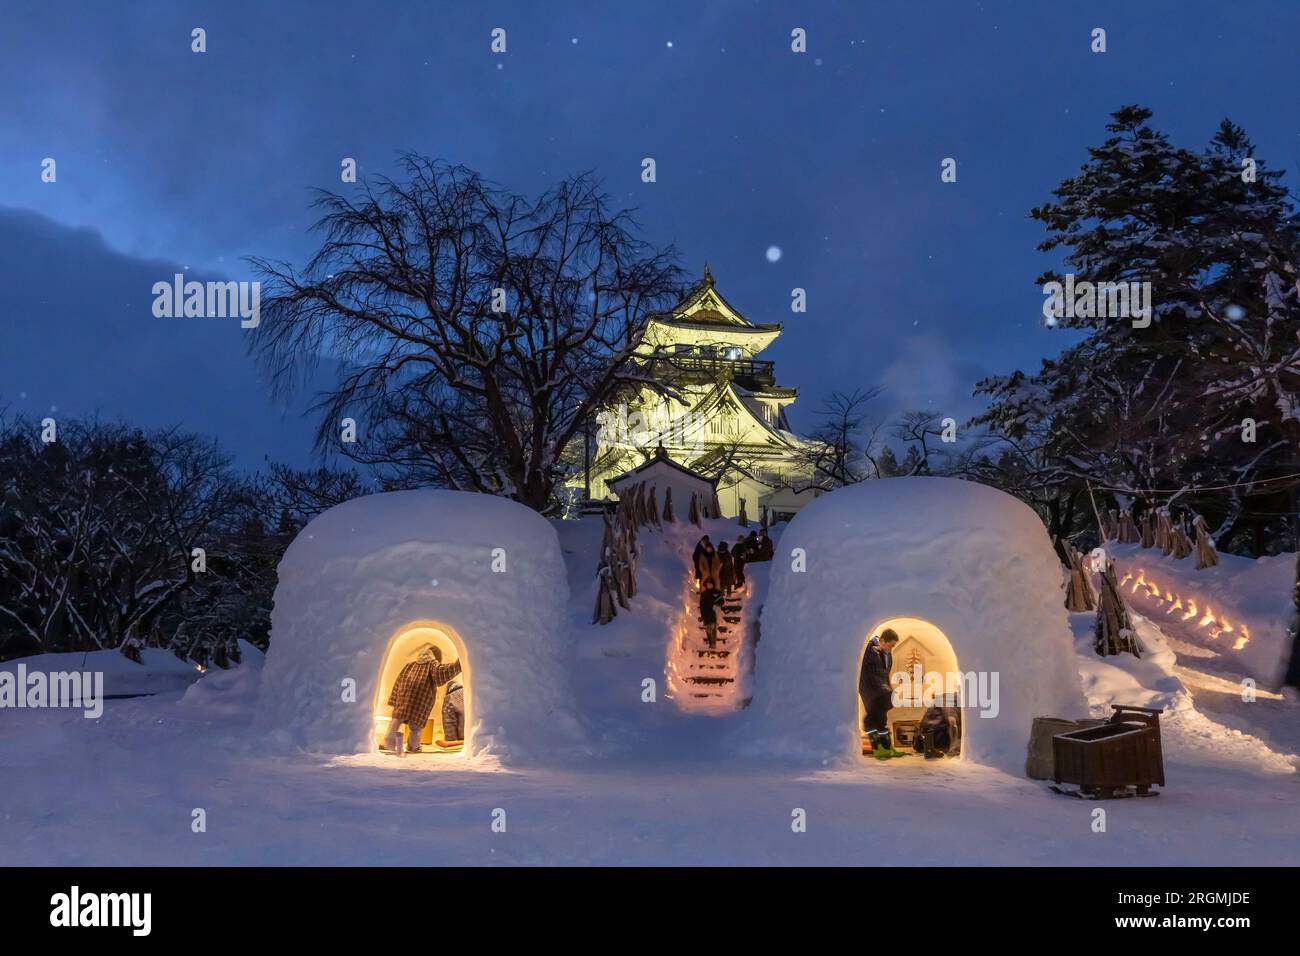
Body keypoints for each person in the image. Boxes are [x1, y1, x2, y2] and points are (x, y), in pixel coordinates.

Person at [384, 645, 462, 756]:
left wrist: (394, 699)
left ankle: (389, 741)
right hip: (422, 697)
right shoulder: (433, 664)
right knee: (416, 725)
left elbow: (398, 681)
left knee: (397, 718)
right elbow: (442, 673)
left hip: (404, 694)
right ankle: (413, 747)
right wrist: (458, 665)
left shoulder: (409, 666)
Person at [859, 629, 903, 759]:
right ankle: (877, 748)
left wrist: (890, 688)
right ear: (882, 640)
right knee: (873, 720)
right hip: (871, 689)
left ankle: (887, 747)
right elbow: (861, 663)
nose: (891, 648)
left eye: (893, 646)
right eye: (890, 645)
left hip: (883, 689)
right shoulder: (869, 648)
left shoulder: (887, 654)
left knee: (882, 719)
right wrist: (871, 649)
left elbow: (885, 673)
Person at [439, 679, 465, 747]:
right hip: (478, 740)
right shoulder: (470, 694)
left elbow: (448, 723)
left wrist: (451, 742)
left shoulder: (449, 697)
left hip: (462, 740)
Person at [699, 577, 723, 648]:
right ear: (706, 585)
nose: (709, 585)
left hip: (714, 613)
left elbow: (721, 601)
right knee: (708, 628)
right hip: (706, 613)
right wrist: (703, 615)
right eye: (708, 584)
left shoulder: (717, 592)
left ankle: (714, 643)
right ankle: (710, 643)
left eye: (711, 584)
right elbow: (702, 605)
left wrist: (717, 605)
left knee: (713, 627)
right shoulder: (703, 594)